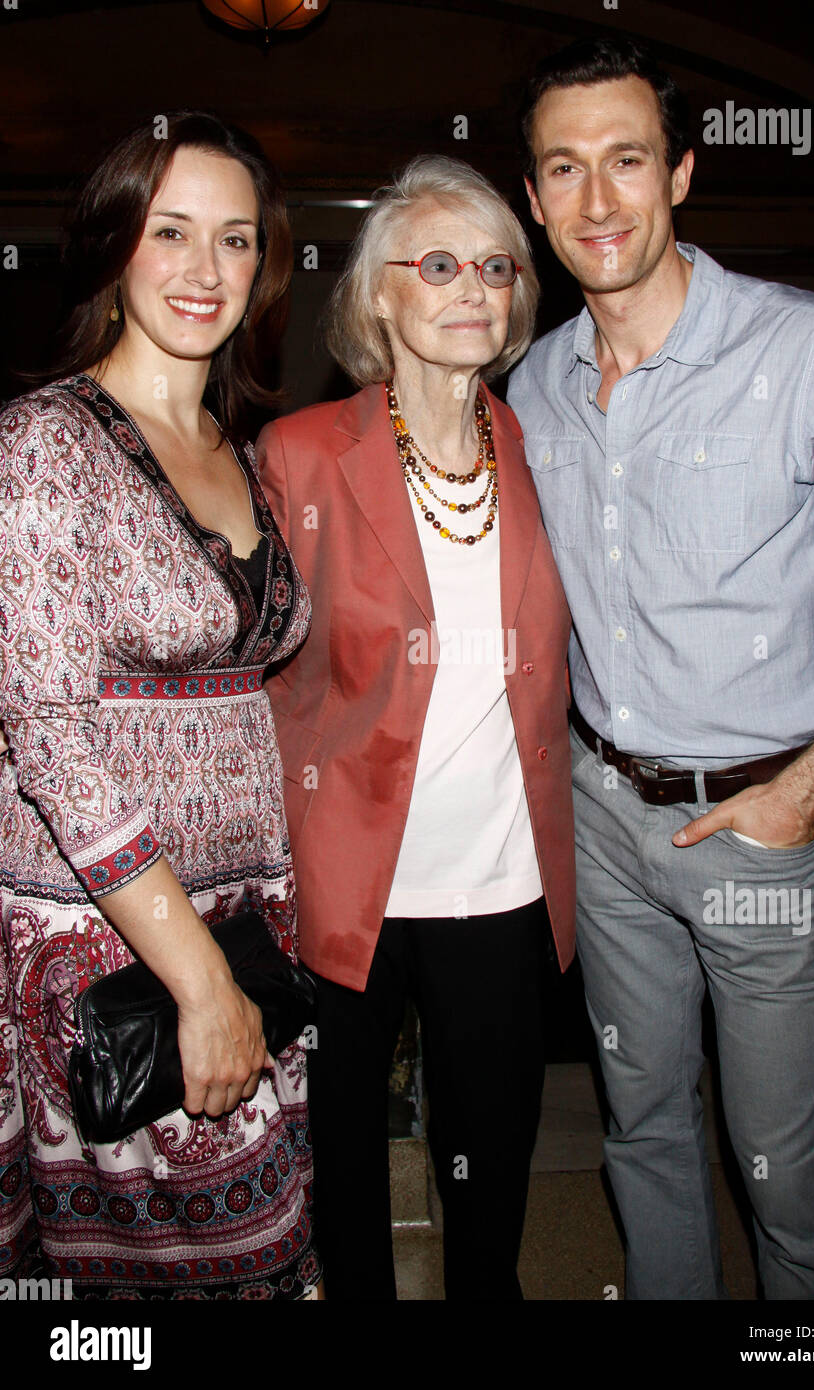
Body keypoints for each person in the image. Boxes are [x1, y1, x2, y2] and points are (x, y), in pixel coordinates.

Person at [508, 36, 814, 1300]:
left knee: (789, 1178)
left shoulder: (812, 351)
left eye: (626, 161)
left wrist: (811, 785)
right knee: (640, 1137)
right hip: (605, 820)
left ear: (680, 173)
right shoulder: (532, 384)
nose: (596, 202)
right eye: (563, 169)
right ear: (533, 198)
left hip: (764, 828)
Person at [0, 112, 321, 1299]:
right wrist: (197, 981)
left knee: (262, 1245)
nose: (204, 269)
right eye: (168, 230)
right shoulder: (44, 444)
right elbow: (47, 735)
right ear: (115, 247)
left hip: (246, 924)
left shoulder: (235, 449)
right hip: (118, 947)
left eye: (235, 240)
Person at [257, 154, 575, 1301]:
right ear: (378, 295)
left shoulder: (546, 445)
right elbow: (260, 682)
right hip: (344, 879)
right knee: (341, 1161)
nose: (473, 288)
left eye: (496, 267)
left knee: (487, 1171)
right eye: (437, 263)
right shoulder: (299, 454)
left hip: (499, 878)